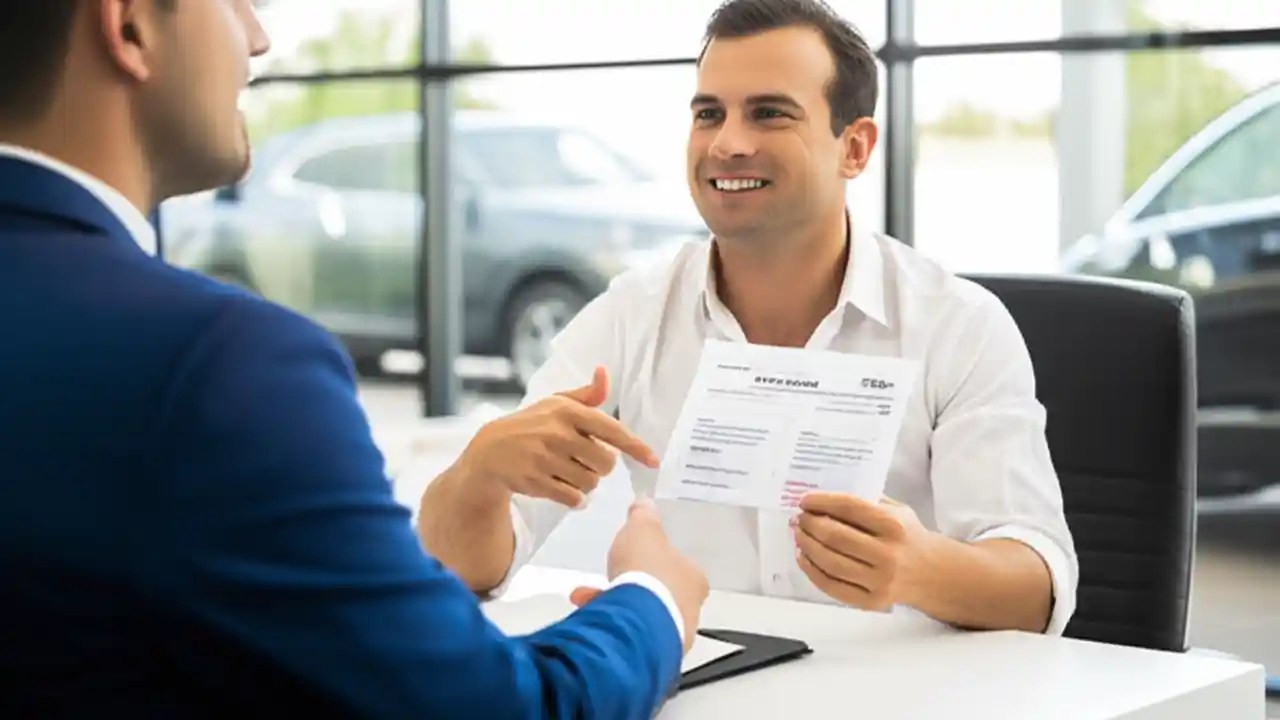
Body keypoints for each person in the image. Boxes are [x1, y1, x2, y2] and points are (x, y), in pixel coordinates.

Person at [0, 1, 708, 717]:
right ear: (129, 27)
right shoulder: (220, 366)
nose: (258, 37)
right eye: (234, 2)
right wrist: (651, 601)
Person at [419, 0, 1077, 636]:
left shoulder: (957, 326)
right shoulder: (631, 315)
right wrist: (480, 475)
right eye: (709, 114)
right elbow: (460, 572)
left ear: (855, 147)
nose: (728, 143)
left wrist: (920, 568)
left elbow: (1037, 586)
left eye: (769, 114)